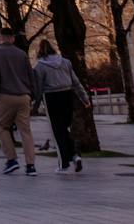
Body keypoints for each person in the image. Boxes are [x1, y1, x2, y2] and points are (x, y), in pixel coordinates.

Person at [34, 39, 91, 174]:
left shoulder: (39, 67)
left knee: (57, 131)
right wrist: (85, 99)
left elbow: (38, 88)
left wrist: (35, 105)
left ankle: (63, 164)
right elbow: (76, 82)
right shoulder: (65, 62)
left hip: (51, 98)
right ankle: (75, 155)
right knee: (65, 129)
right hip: (67, 95)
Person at [0, 27, 37, 175]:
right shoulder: (22, 54)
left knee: (2, 127)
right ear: (13, 38)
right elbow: (30, 74)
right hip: (24, 96)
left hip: (5, 95)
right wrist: (31, 94)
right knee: (25, 131)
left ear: (0, 37)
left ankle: (11, 159)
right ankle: (30, 165)